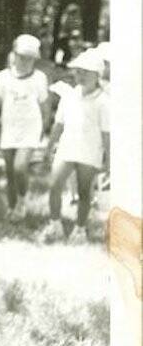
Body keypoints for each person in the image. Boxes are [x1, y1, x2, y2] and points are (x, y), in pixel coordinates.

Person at [42, 50, 109, 243]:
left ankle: (80, 229)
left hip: (90, 151)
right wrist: (49, 147)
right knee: (55, 185)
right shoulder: (69, 96)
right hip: (67, 148)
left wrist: (109, 159)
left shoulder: (104, 102)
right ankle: (55, 225)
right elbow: (58, 125)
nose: (81, 76)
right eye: (78, 71)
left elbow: (106, 134)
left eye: (86, 72)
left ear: (97, 74)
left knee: (84, 191)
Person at [0, 34, 51, 220]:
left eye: (30, 58)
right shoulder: (3, 77)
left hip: (30, 130)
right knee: (10, 171)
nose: (25, 62)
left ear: (35, 59)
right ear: (14, 55)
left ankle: (22, 201)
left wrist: (43, 131)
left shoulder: (39, 78)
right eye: (22, 57)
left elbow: (46, 109)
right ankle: (12, 208)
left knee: (20, 167)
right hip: (9, 130)